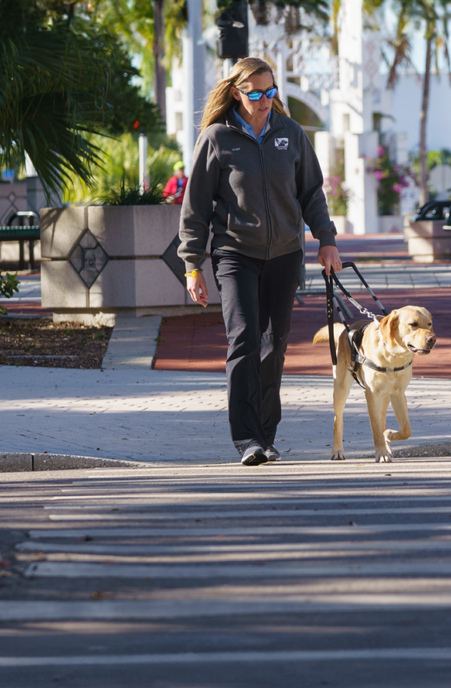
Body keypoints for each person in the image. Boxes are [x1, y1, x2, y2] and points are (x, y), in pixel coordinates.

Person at [177, 56, 343, 466]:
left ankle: (267, 436)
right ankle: (247, 439)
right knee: (244, 340)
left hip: (285, 254)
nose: (266, 99)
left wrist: (326, 240)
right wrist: (192, 265)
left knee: (274, 346)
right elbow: (195, 207)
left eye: (271, 92)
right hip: (235, 253)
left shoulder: (291, 133)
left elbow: (311, 193)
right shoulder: (217, 138)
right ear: (237, 93)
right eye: (256, 93)